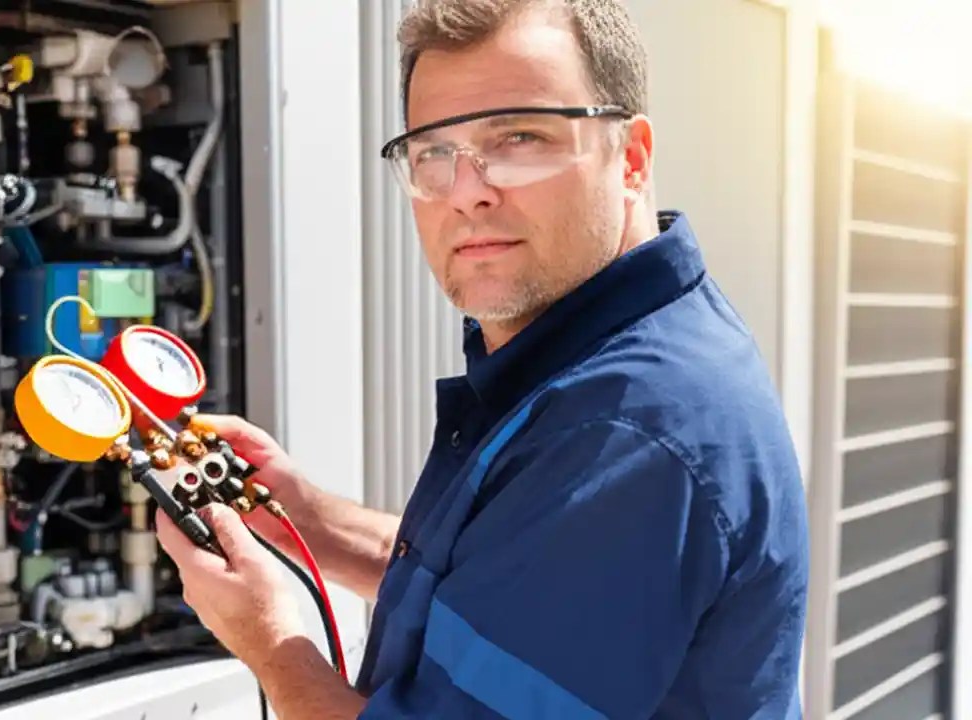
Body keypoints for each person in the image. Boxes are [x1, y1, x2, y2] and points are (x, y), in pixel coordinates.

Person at [154, 0, 809, 717]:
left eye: (520, 137)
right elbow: (510, 591)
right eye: (435, 152)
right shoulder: (614, 350)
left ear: (631, 158)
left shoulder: (627, 437)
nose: (467, 191)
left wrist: (271, 641)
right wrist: (310, 522)